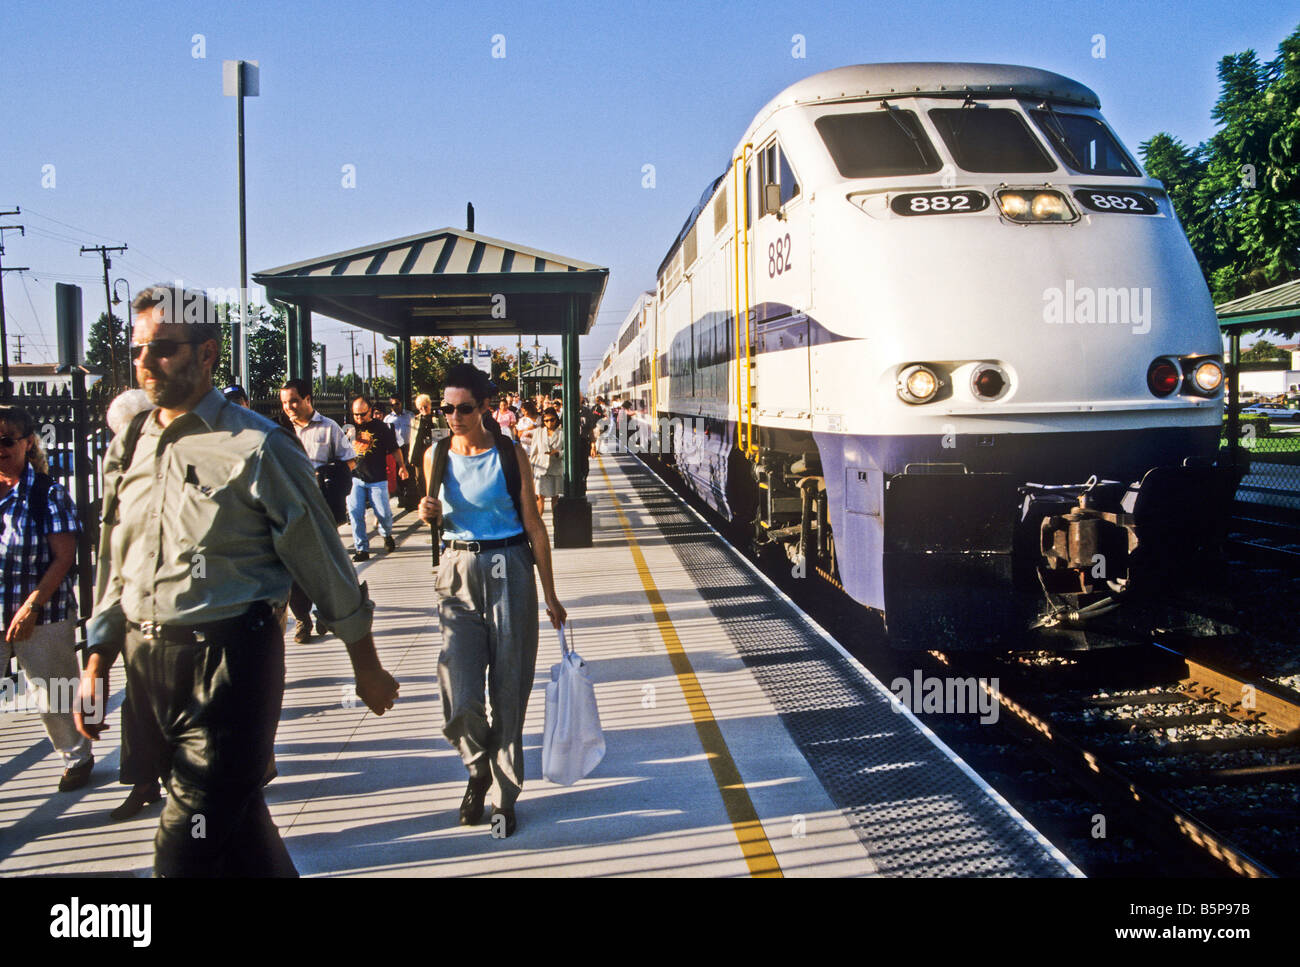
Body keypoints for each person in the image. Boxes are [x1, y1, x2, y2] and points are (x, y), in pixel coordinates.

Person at [75, 284, 399, 877]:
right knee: (243, 832)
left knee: (182, 850)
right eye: (138, 349)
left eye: (163, 349)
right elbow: (114, 556)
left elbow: (323, 559)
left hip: (229, 666)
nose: (145, 362)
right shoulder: (130, 443)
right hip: (149, 665)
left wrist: (365, 663)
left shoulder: (258, 445)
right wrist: (97, 658)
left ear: (206, 354)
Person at [418, 363, 566, 837]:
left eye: (463, 408)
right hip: (457, 570)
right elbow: (432, 513)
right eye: (447, 408)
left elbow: (534, 524)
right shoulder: (434, 454)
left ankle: (504, 794)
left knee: (509, 690)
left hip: (510, 570)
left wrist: (550, 593)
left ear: (484, 407)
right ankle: (477, 768)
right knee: (458, 693)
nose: (453, 417)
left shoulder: (509, 453)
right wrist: (426, 513)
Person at [0, 405, 92, 792]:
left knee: (53, 692)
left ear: (28, 443)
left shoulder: (46, 494)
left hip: (44, 611)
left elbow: (64, 557)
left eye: (6, 441)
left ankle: (77, 757)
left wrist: (32, 606)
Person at [281, 378, 356, 641]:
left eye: (293, 401)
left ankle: (327, 613)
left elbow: (350, 462)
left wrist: (325, 476)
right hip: (289, 509)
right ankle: (302, 620)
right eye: (284, 403)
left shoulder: (329, 428)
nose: (289, 407)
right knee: (293, 569)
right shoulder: (280, 430)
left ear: (307, 399)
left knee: (324, 565)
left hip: (322, 509)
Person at [346, 395, 409, 562]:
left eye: (362, 414)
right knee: (355, 513)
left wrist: (402, 467)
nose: (359, 418)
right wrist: (348, 437)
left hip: (377, 478)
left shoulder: (381, 428)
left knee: (383, 514)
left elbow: (395, 449)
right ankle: (361, 549)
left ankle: (386, 534)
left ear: (370, 411)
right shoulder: (350, 429)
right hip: (356, 478)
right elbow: (343, 453)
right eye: (355, 415)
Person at [407, 393, 446, 501]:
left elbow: (444, 433)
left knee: (434, 476)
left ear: (429, 405)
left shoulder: (437, 416)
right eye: (421, 407)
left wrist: (438, 419)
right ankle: (424, 499)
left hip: (433, 451)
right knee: (419, 478)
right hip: (420, 453)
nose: (424, 409)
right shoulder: (415, 420)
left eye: (425, 406)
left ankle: (435, 498)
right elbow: (412, 439)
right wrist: (411, 456)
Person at [530, 407, 564, 519]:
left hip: (555, 468)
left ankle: (557, 523)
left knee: (555, 498)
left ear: (556, 419)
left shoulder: (562, 433)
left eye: (552, 420)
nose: (549, 423)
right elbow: (533, 451)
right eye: (546, 420)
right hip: (540, 469)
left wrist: (558, 453)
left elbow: (567, 451)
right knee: (540, 497)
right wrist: (531, 470)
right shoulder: (538, 432)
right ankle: (538, 524)